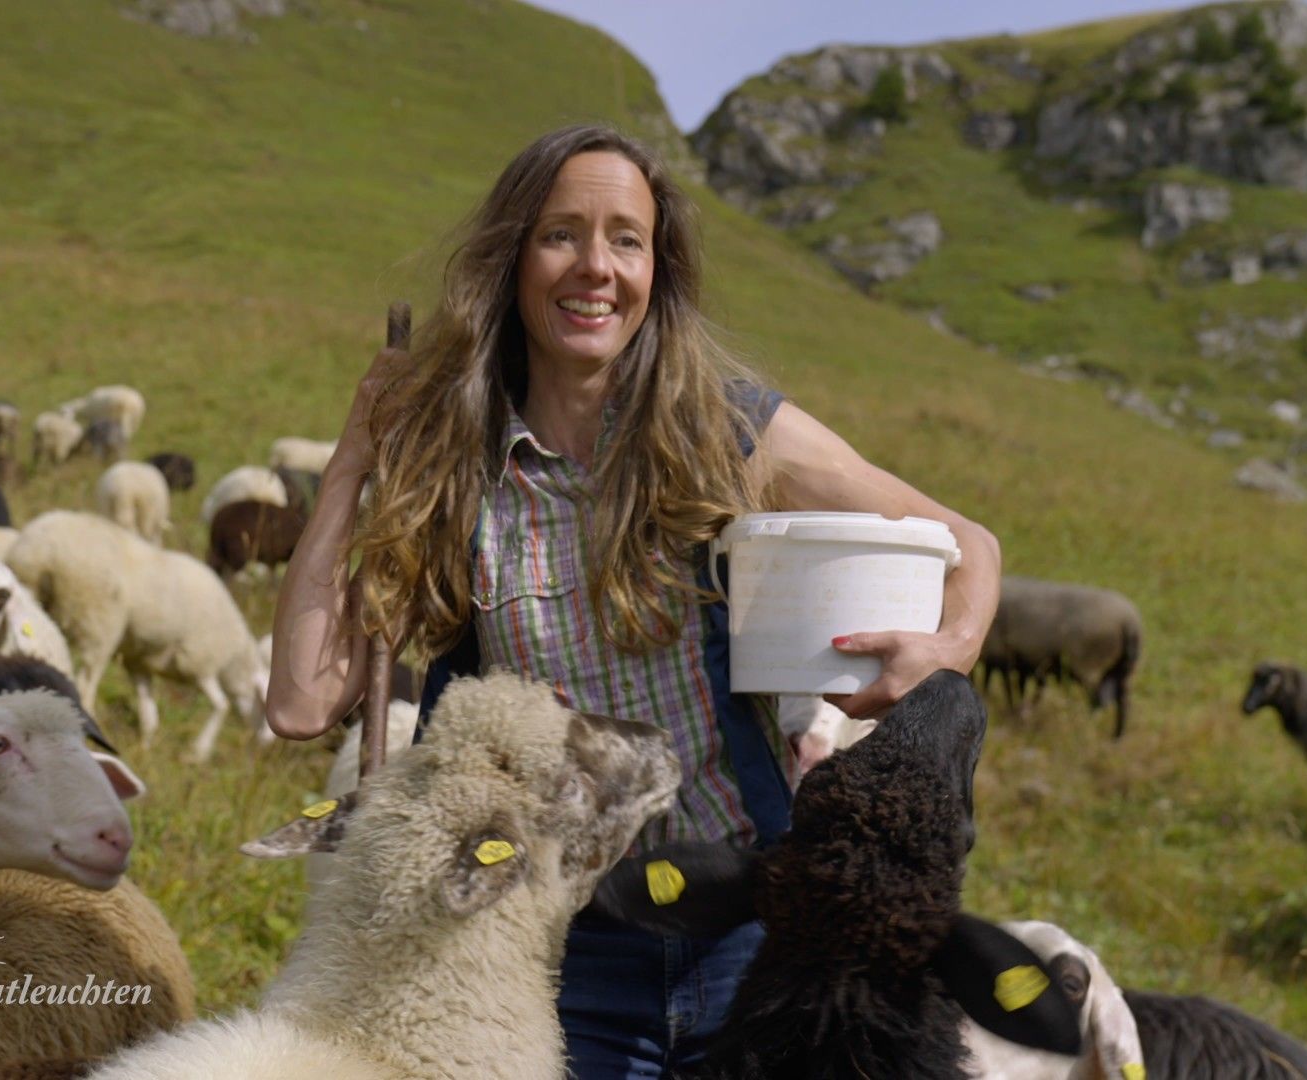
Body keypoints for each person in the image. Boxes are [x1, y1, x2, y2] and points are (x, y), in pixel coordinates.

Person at [265, 123, 1000, 1077]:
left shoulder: (723, 430)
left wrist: (953, 650)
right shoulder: (453, 467)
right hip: (548, 956)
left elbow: (965, 545)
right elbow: (302, 701)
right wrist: (355, 459)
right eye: (561, 234)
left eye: (625, 239)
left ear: (658, 270)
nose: (595, 268)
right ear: (513, 259)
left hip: (745, 929)